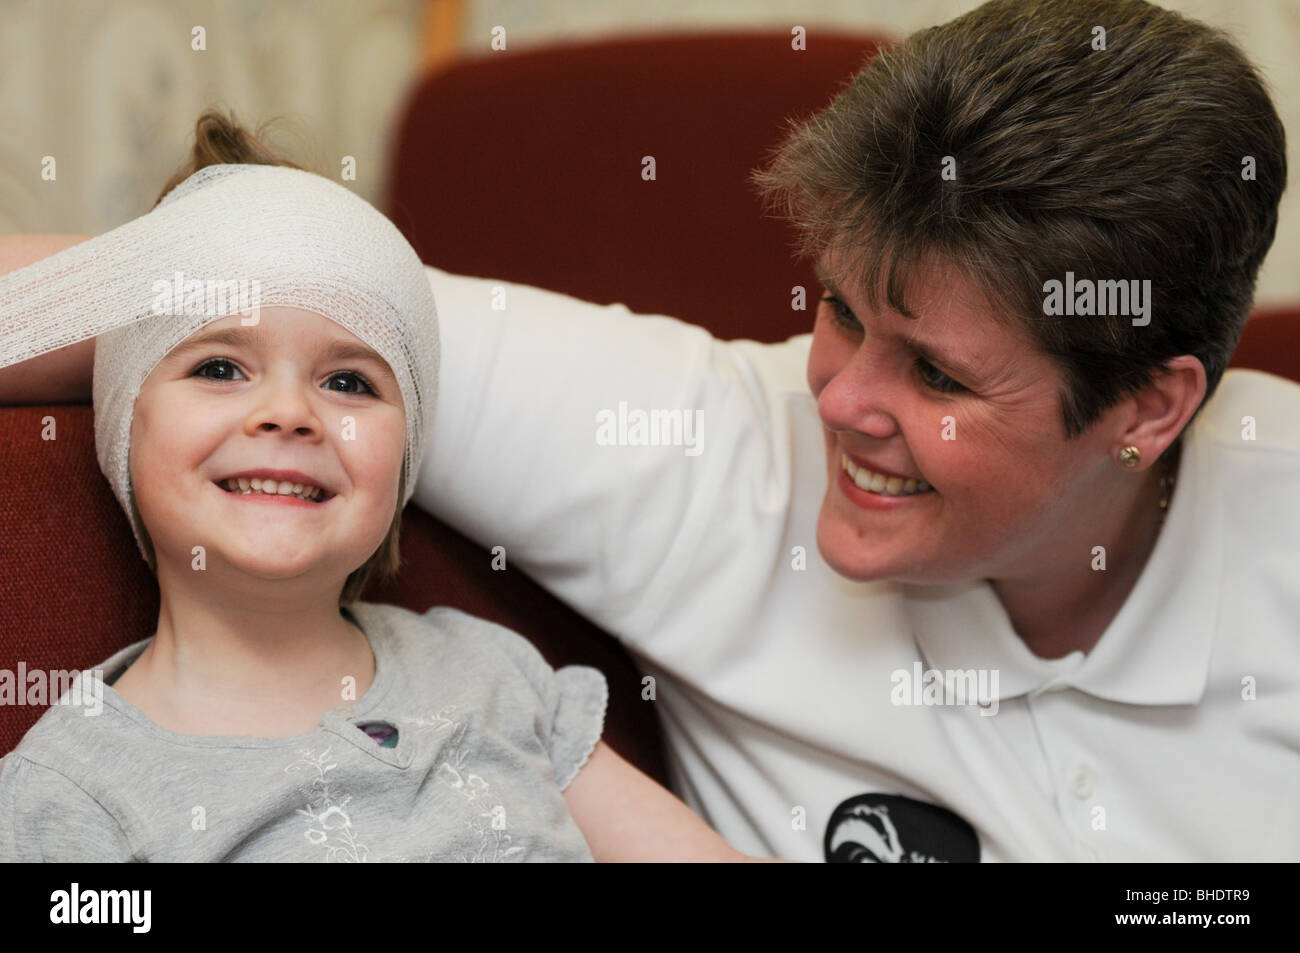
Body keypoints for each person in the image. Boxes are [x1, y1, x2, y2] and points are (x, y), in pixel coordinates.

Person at [5, 0, 1298, 862]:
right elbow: (229, 273)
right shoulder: (703, 452)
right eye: (841, 311)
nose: (839, 400)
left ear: (1148, 410)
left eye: (940, 379)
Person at [0, 113, 761, 863]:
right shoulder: (69, 798)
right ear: (122, 427)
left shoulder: (492, 673)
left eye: (348, 381)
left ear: (405, 457)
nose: (291, 413)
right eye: (220, 368)